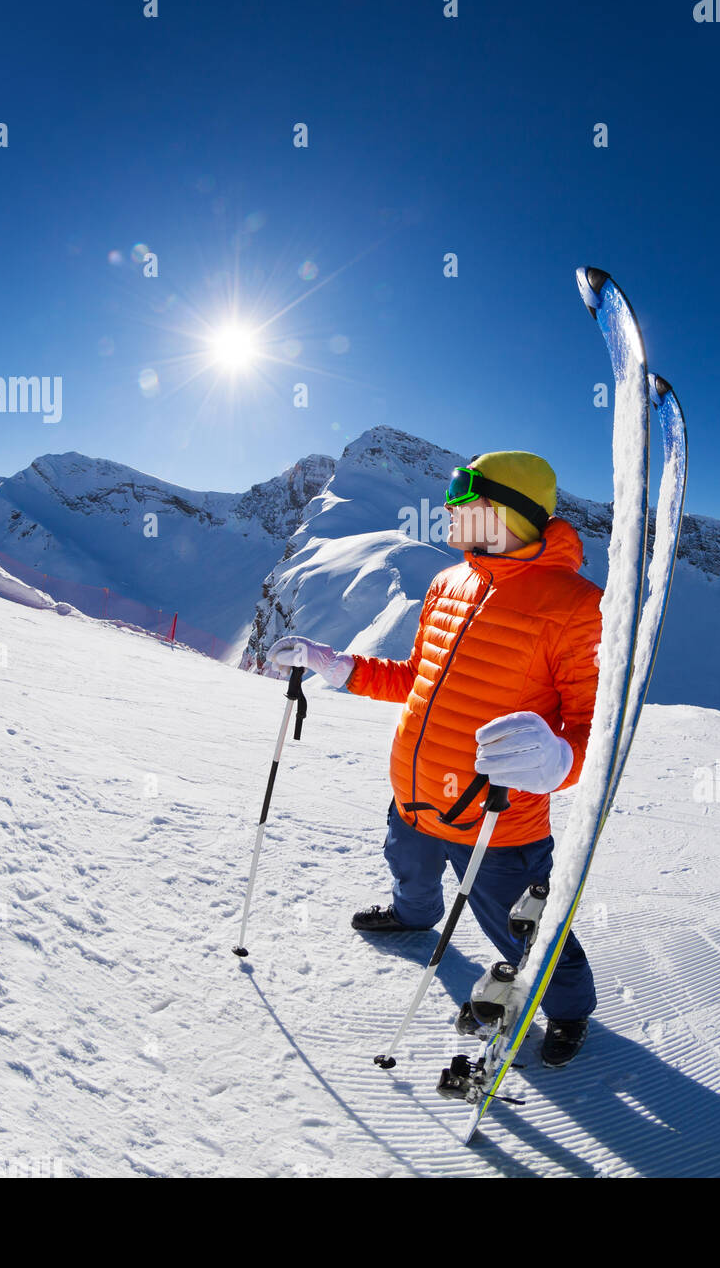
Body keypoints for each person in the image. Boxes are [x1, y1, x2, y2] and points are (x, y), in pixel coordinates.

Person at [267, 450, 602, 1067]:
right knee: (408, 867)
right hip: (415, 794)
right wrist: (339, 666)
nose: (449, 519)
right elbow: (417, 677)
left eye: (465, 507)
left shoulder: (578, 606)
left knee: (522, 927)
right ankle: (412, 915)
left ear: (511, 515)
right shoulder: (449, 584)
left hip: (497, 824)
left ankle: (570, 1007)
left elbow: (594, 734)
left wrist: (558, 760)